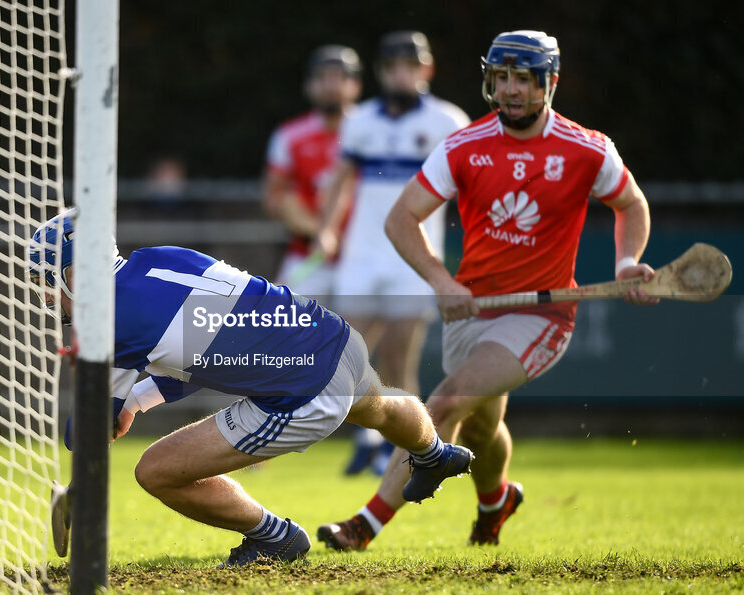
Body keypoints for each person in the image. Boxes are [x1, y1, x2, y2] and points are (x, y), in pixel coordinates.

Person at [316, 30, 656, 551]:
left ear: (550, 83)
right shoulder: (464, 147)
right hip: (471, 309)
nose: (511, 89)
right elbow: (401, 218)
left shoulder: (586, 149)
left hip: (541, 316)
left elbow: (630, 203)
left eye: (523, 78)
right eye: (502, 77)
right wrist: (442, 281)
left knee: (448, 400)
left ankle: (366, 524)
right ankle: (497, 500)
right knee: (480, 429)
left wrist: (628, 261)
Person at [27, 212, 474, 566]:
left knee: (155, 470)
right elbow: (196, 352)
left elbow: (86, 429)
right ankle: (435, 454)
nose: (46, 297)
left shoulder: (108, 321)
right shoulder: (162, 257)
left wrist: (93, 433)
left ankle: (277, 538)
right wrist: (137, 400)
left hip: (304, 395)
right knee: (379, 407)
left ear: (77, 272)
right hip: (334, 338)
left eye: (48, 281)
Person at [314, 31, 470, 475]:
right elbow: (341, 179)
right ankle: (367, 440)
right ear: (381, 72)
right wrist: (326, 230)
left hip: (413, 257)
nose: (403, 74)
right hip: (362, 257)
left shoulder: (448, 120)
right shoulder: (360, 120)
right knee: (348, 353)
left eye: (412, 65)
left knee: (400, 356)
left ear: (427, 70)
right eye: (394, 66)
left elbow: (468, 190)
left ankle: (401, 449)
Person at [263, 44, 362, 299]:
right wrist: (319, 232)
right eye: (322, 78)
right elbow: (275, 198)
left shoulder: (372, 132)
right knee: (283, 327)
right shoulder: (289, 136)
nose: (331, 86)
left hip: (363, 259)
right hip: (307, 257)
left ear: (356, 85)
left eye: (339, 77)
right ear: (309, 85)